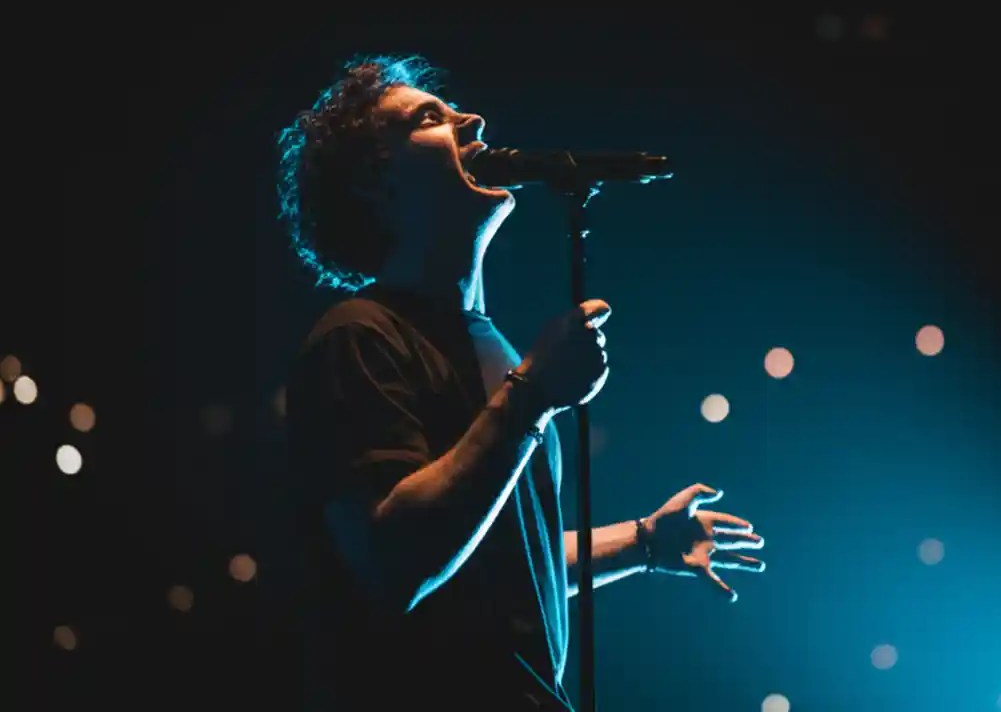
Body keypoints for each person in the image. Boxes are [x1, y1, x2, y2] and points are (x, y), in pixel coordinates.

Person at [277, 54, 766, 710]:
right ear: (375, 181)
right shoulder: (358, 335)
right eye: (430, 118)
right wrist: (531, 396)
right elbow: (395, 559)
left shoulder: (495, 349)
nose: (473, 120)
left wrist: (645, 543)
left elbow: (497, 563)